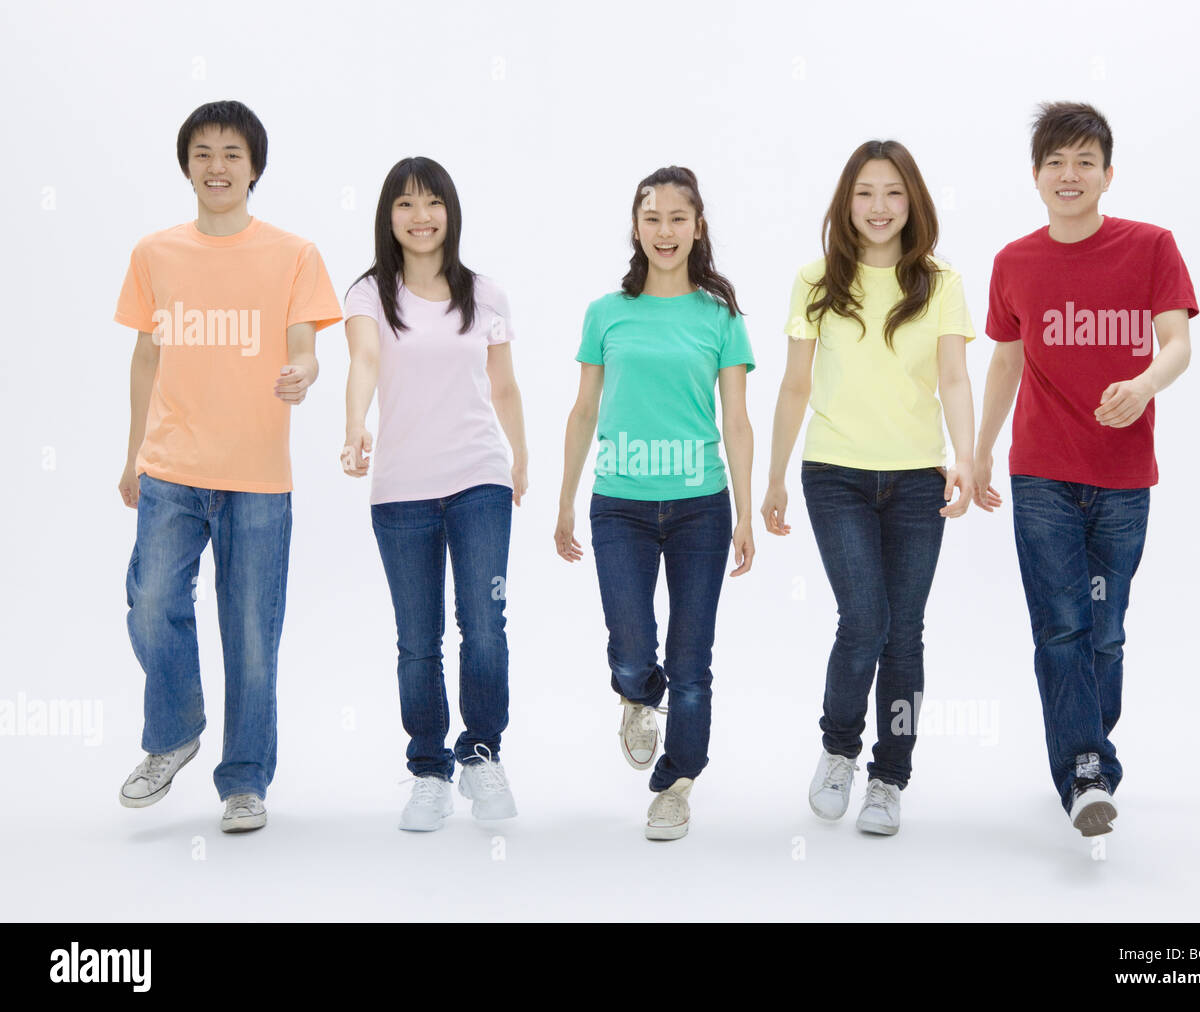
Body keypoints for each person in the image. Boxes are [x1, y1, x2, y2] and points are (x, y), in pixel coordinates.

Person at [115, 100, 342, 833]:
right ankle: (175, 731)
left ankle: (245, 781)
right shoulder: (154, 253)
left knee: (251, 634)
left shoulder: (294, 254)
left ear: (254, 167)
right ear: (187, 164)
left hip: (258, 478)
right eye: (204, 153)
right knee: (152, 603)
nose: (217, 166)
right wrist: (131, 457)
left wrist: (303, 372)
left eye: (232, 154)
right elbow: (147, 355)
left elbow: (304, 344)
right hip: (172, 466)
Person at [973, 101, 1197, 838]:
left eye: (1084, 162)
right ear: (1036, 176)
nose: (1070, 176)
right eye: (1056, 163)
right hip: (1041, 474)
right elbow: (1006, 359)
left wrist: (1144, 386)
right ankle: (1085, 772)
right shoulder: (1014, 262)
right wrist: (978, 449)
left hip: (1126, 476)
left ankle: (1087, 751)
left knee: (1105, 632)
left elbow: (1176, 344)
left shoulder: (1152, 246)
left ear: (1107, 174)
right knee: (1062, 627)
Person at [760, 140, 977, 836]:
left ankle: (890, 778)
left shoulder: (940, 282)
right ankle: (838, 751)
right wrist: (774, 478)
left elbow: (952, 379)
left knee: (904, 634)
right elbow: (794, 384)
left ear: (911, 201)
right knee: (864, 621)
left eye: (892, 192)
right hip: (835, 475)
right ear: (844, 203)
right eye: (864, 193)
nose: (879, 207)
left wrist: (965, 458)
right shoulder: (815, 279)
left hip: (918, 478)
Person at [555, 166, 755, 841]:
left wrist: (747, 513)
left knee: (693, 658)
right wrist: (563, 502)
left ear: (697, 227)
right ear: (635, 227)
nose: (664, 230)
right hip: (621, 506)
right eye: (652, 217)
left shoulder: (719, 315)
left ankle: (676, 784)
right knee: (635, 643)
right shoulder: (606, 313)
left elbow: (738, 421)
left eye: (678, 217)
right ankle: (638, 694)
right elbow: (584, 411)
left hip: (701, 505)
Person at [341, 157, 527, 832]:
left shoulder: (486, 294)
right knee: (417, 640)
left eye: (432, 203)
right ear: (388, 218)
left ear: (450, 211)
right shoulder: (368, 294)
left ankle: (481, 754)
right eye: (405, 205)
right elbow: (363, 360)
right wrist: (354, 422)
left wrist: (521, 454)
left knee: (483, 625)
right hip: (400, 491)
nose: (421, 217)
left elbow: (502, 386)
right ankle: (428, 770)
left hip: (480, 477)